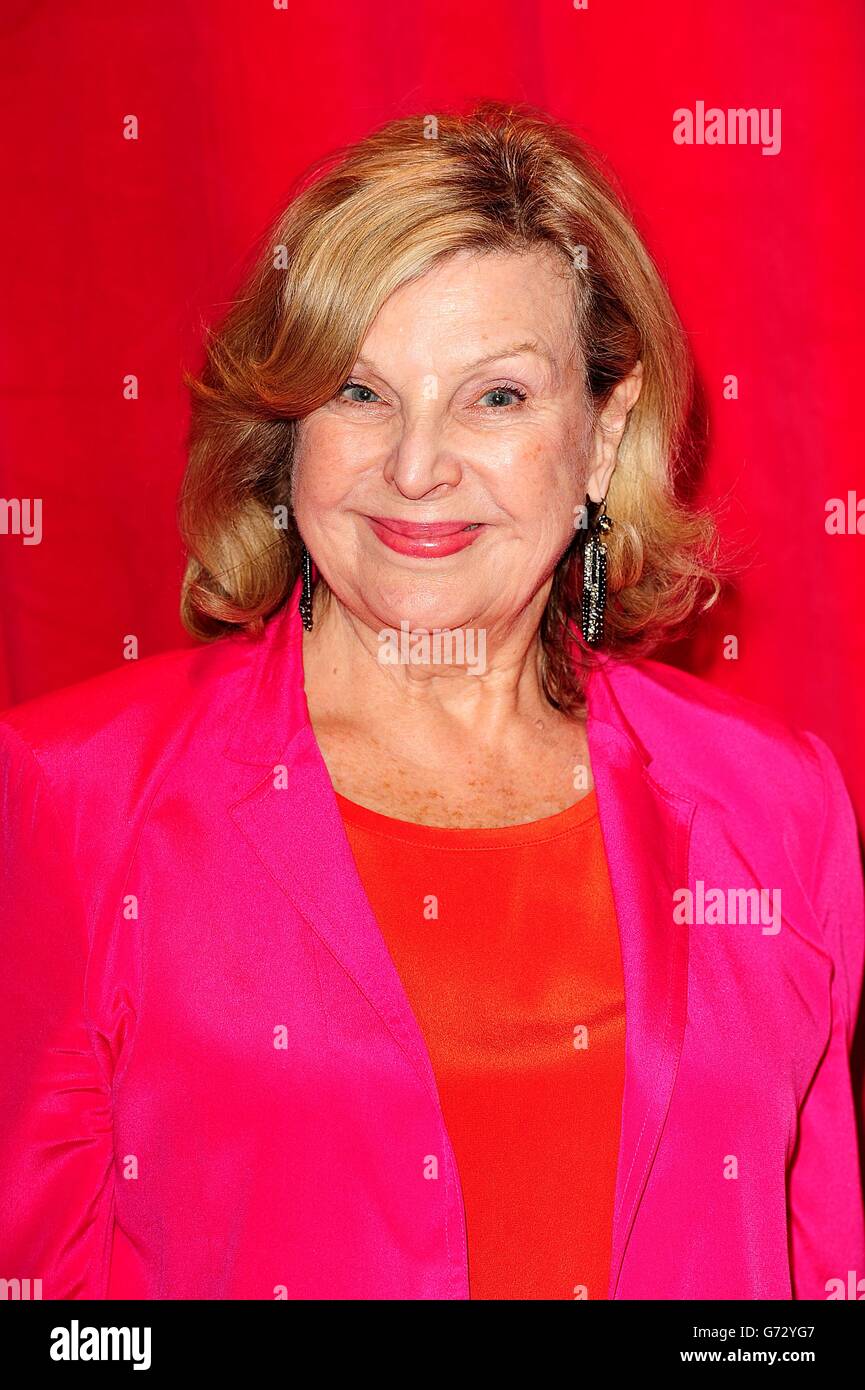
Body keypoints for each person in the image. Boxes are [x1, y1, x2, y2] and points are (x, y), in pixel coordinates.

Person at [1, 102, 862, 1301]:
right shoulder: (71, 795)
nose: (415, 468)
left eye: (496, 398)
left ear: (602, 437)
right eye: (359, 393)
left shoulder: (774, 803)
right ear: (285, 428)